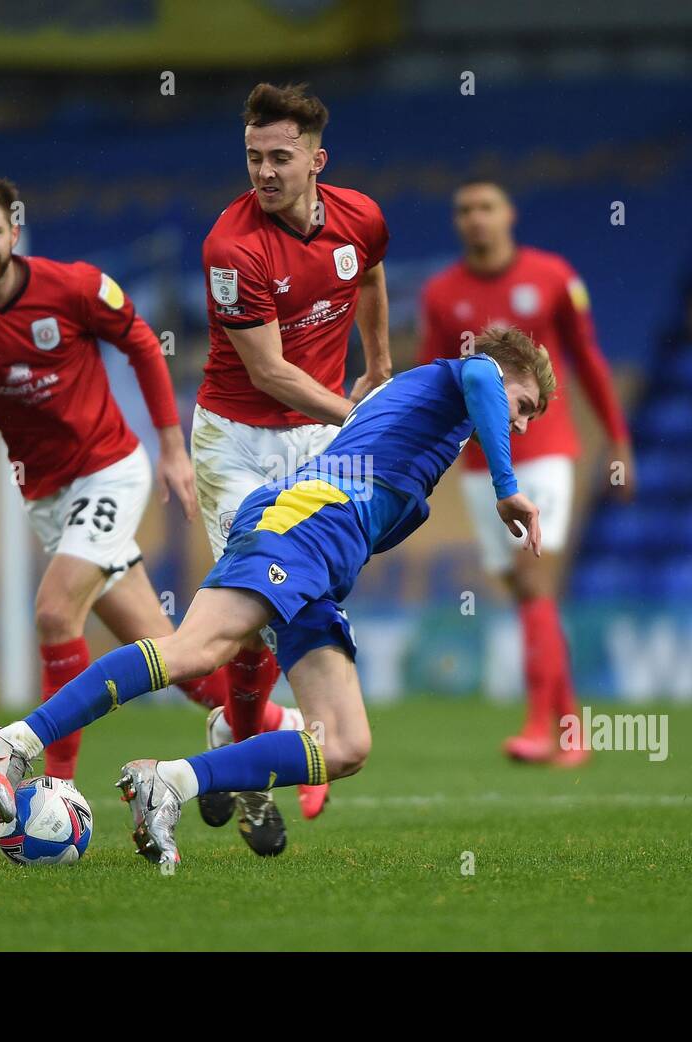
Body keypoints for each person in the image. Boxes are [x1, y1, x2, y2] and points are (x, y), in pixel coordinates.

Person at [0, 326, 555, 867]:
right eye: (524, 405)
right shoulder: (468, 375)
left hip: (322, 556)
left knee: (345, 744)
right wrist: (506, 488)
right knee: (196, 651)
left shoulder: (439, 417)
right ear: (505, 372)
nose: (522, 424)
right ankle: (16, 741)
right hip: (304, 524)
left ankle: (168, 782)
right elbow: (482, 379)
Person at [0, 172, 231, 784]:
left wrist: (173, 448)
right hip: (47, 496)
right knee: (176, 659)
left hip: (110, 470)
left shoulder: (73, 286)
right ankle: (266, 727)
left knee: (53, 612)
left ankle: (56, 788)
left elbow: (143, 344)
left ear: (14, 231)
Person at [189, 81, 391, 852]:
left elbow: (368, 272)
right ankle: (245, 775)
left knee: (284, 612)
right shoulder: (231, 248)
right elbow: (269, 373)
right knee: (258, 610)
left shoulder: (360, 217)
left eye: (280, 157)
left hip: (316, 440)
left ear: (316, 161)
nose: (265, 172)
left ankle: (231, 742)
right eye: (254, 157)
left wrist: (379, 365)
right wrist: (357, 414)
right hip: (237, 444)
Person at [419, 180, 632, 765]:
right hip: (480, 463)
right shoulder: (441, 293)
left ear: (508, 214)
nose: (475, 218)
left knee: (533, 580)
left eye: (486, 207)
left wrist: (618, 440)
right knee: (523, 591)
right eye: (464, 210)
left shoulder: (552, 277)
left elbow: (588, 359)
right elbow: (435, 376)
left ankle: (539, 726)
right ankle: (571, 730)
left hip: (545, 453)